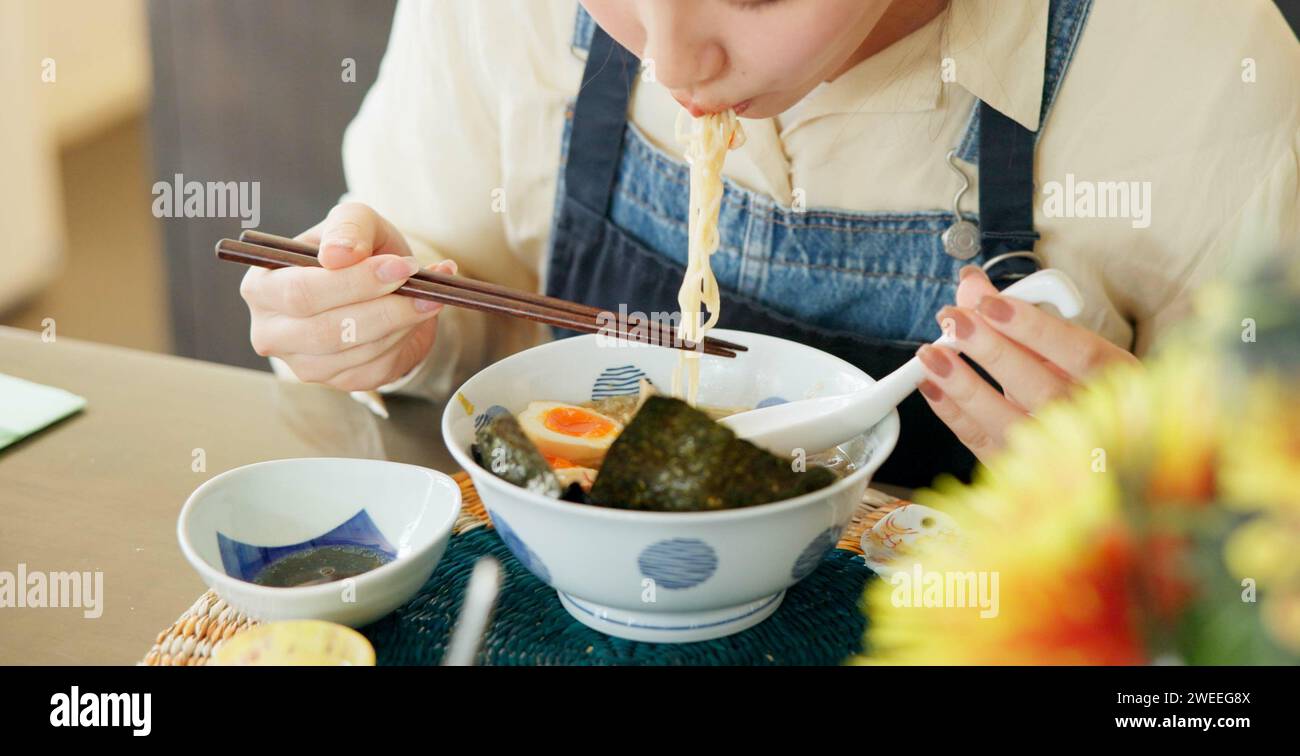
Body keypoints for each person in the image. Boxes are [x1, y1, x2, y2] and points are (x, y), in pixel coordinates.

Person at [238, 0, 1300, 487]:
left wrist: (1163, 491)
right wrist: (388, 329)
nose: (672, 54)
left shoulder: (1197, 66)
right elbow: (437, 298)